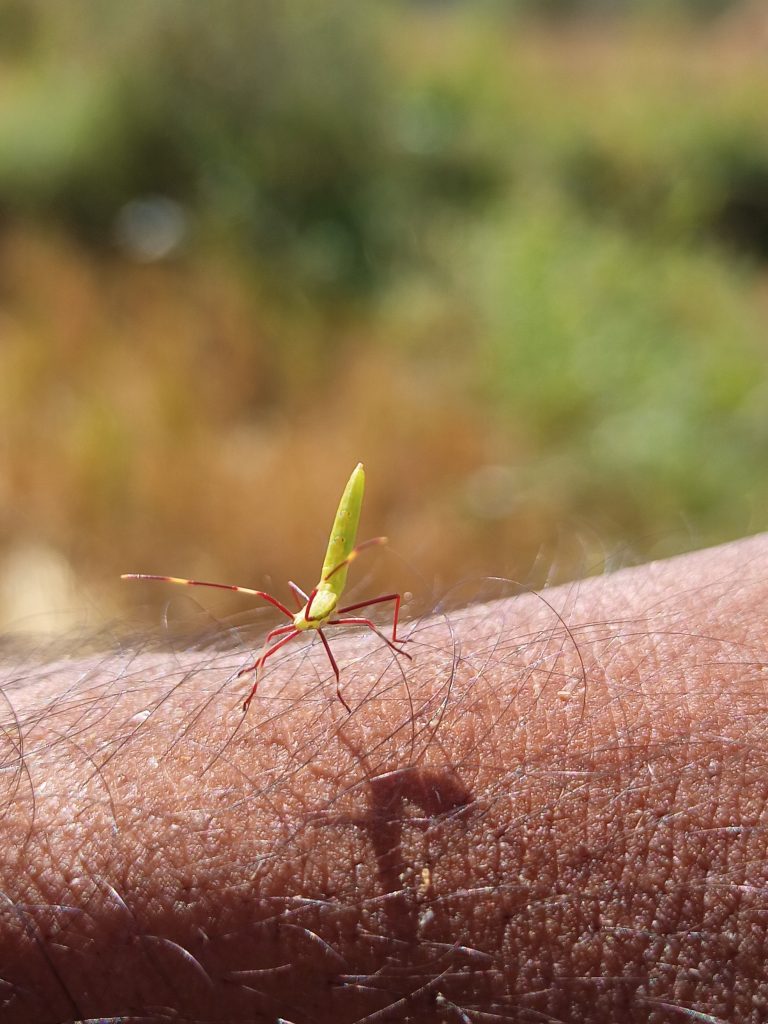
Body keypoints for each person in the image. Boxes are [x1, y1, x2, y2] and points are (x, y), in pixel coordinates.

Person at [2, 535, 766, 1023]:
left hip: (394, 729)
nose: (295, 634)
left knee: (366, 621)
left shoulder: (331, 623)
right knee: (292, 627)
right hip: (357, 695)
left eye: (296, 626)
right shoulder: (292, 620)